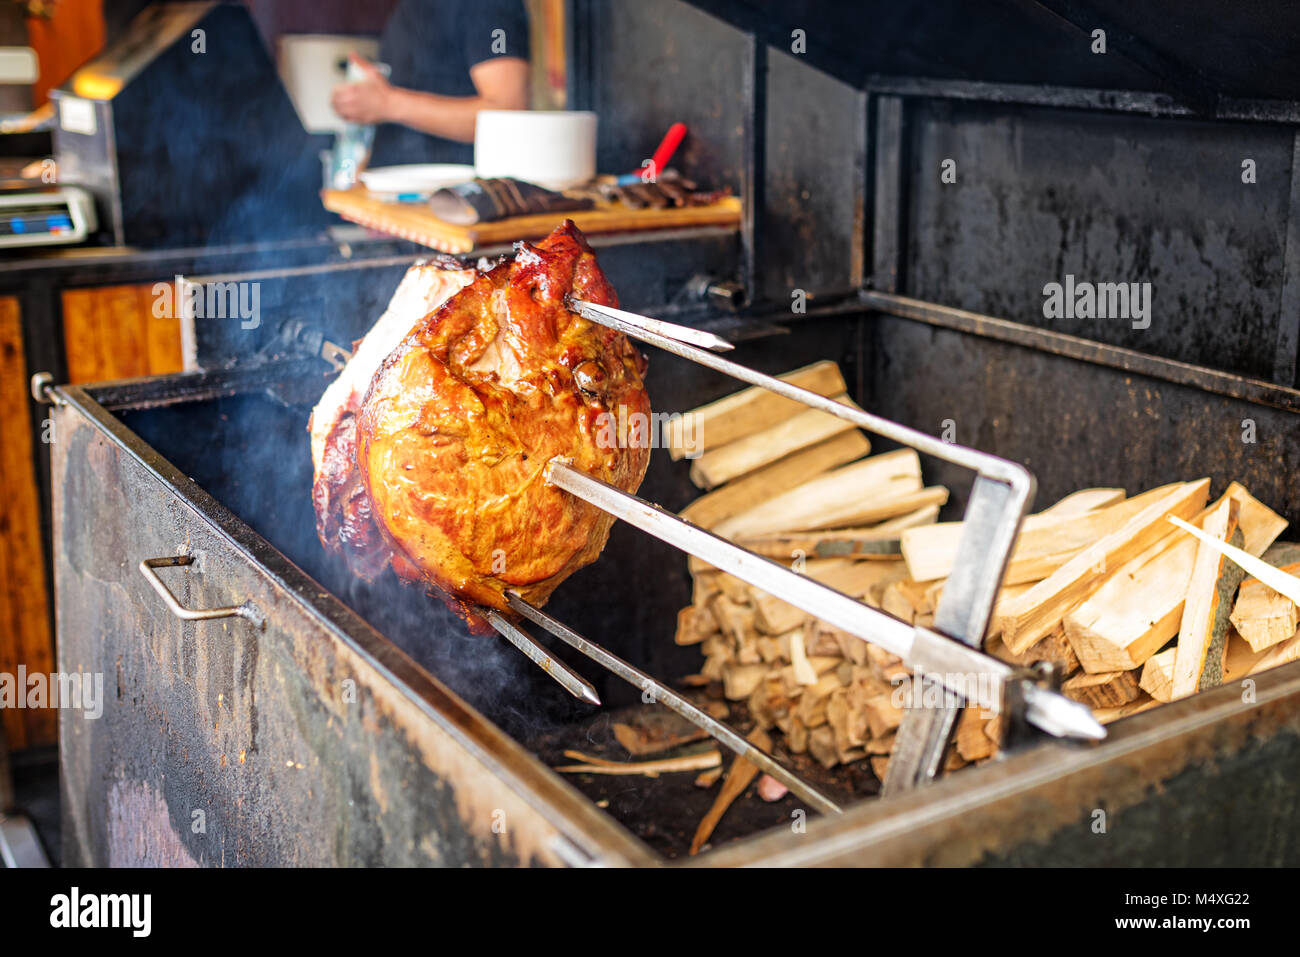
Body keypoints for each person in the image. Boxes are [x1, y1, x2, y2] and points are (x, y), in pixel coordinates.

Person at [331, 0, 530, 168]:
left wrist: (387, 103)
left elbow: (506, 110)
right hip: (395, 197)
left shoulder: (489, 5)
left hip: (452, 202)